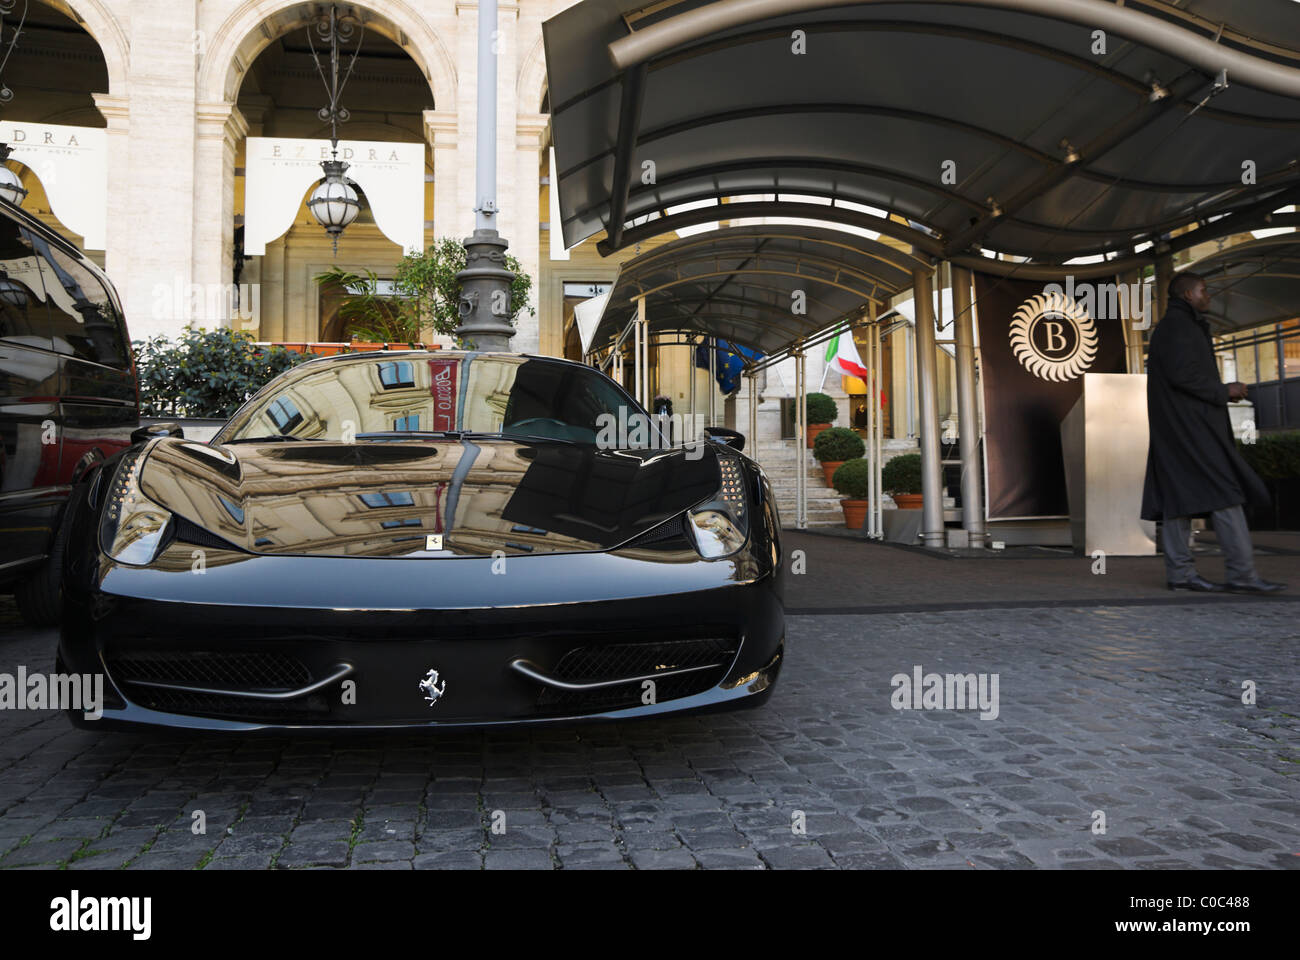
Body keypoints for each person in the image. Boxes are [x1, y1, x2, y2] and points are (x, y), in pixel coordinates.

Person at [1140, 273, 1283, 593]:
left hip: (1178, 428)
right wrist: (1224, 390)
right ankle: (1242, 574)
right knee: (1225, 493)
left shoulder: (1176, 325)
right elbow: (1183, 375)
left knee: (1179, 498)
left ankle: (1180, 573)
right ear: (1188, 294)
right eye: (1204, 291)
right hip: (1192, 427)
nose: (1209, 297)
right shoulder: (1179, 327)